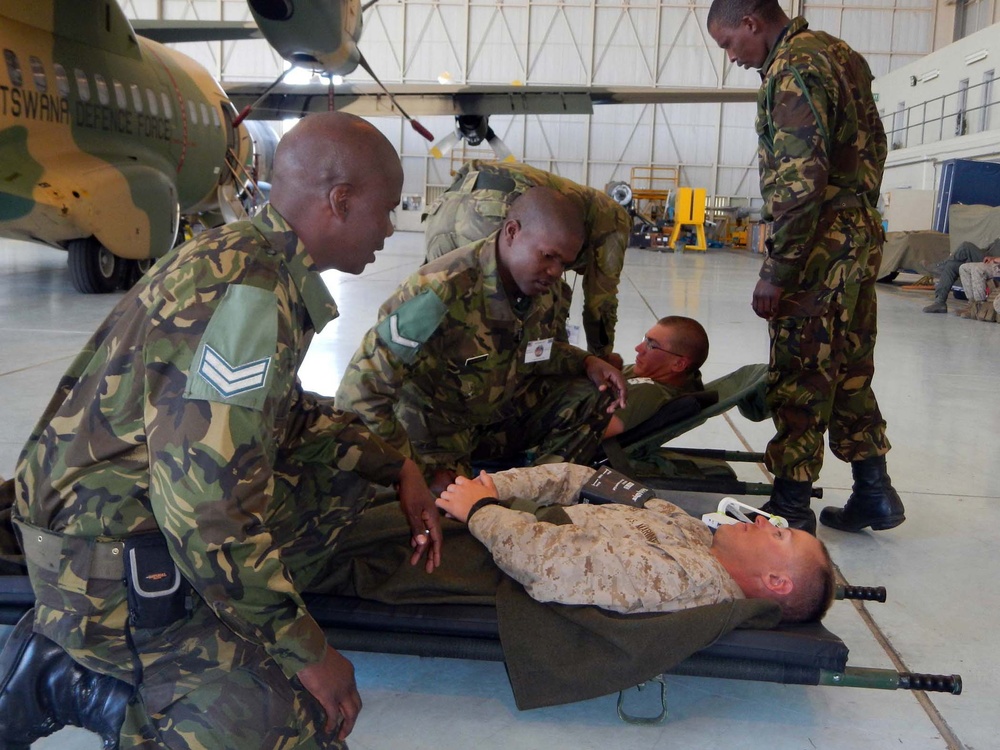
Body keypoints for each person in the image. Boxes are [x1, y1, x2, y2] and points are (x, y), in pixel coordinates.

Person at [2, 112, 442, 750]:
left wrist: (396, 465)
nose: (390, 227)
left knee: (339, 483)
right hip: (107, 568)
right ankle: (82, 678)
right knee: (297, 727)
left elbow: (285, 417)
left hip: (131, 521)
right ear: (341, 201)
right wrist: (308, 652)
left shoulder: (250, 258)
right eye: (387, 208)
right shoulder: (248, 294)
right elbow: (209, 515)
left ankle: (215, 631)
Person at [706, 0, 905, 535]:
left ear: (751, 23)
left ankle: (790, 507)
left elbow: (801, 178)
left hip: (817, 244)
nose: (731, 57)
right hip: (858, 236)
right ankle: (874, 490)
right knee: (850, 365)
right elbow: (873, 147)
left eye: (728, 43)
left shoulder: (793, 64)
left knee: (800, 371)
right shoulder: (842, 55)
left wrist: (779, 270)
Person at [337, 186, 627, 495]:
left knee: (592, 394)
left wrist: (587, 361)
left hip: (492, 418)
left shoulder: (544, 289)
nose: (555, 271)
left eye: (565, 264)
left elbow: (534, 352)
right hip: (434, 435)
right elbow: (360, 393)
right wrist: (415, 471)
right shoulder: (441, 291)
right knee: (456, 514)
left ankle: (541, 493)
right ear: (512, 232)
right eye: (548, 256)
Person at [435, 463, 836, 624]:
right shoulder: (696, 533)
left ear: (776, 581)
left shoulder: (690, 581)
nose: (763, 521)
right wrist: (494, 486)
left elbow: (549, 563)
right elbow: (586, 479)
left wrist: (479, 509)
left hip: (479, 553)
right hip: (496, 523)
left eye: (778, 534)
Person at [422, 159, 632, 366]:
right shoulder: (616, 221)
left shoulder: (584, 203)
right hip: (491, 208)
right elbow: (601, 301)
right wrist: (601, 355)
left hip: (445, 205)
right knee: (531, 309)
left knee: (440, 297)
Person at [604, 316, 709, 439]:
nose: (638, 348)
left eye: (651, 345)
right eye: (645, 339)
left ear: (679, 364)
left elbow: (591, 434)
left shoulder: (648, 393)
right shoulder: (644, 371)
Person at [923, 237, 1000, 313]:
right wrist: (973, 253)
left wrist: (995, 258)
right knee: (951, 266)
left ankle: (940, 267)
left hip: (994, 264)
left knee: (966, 246)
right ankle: (939, 302)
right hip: (987, 257)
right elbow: (988, 250)